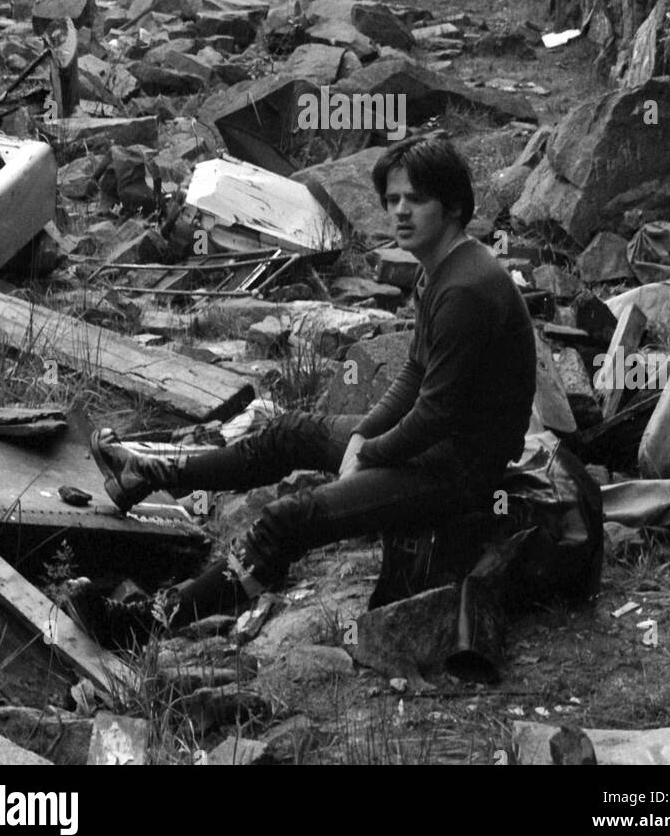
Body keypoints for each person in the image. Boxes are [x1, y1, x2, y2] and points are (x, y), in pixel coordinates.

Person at [82, 135, 537, 638]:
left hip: (460, 471)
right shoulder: (438, 271)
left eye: (416, 199)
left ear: (452, 206)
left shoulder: (467, 290)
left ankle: (151, 622)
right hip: (434, 448)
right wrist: (364, 437)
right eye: (391, 200)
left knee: (288, 518)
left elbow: (436, 413)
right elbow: (412, 373)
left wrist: (367, 454)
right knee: (289, 432)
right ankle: (150, 470)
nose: (400, 212)